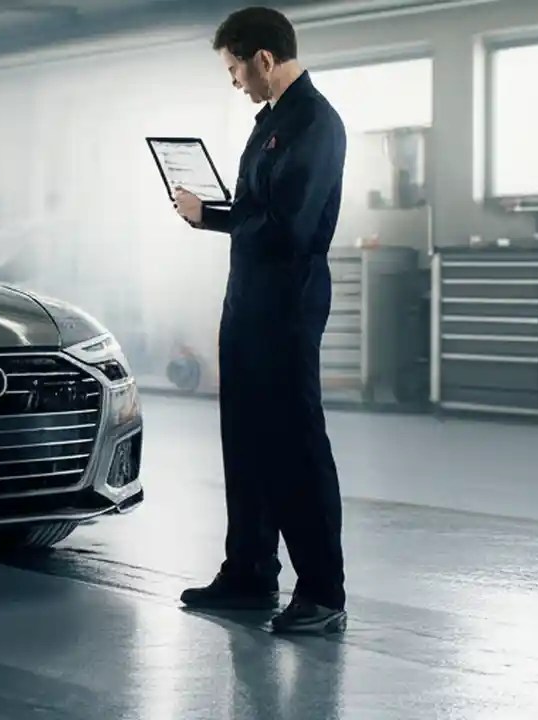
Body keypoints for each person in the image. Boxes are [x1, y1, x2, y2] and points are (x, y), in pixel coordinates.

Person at [172, 6, 348, 634]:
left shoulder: (316, 123)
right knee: (244, 441)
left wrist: (225, 218)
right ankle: (249, 572)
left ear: (264, 59)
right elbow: (255, 208)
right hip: (245, 300)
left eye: (234, 70)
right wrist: (207, 214)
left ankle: (323, 591)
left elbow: (290, 227)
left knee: (294, 444)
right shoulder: (269, 121)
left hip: (286, 306)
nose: (235, 82)